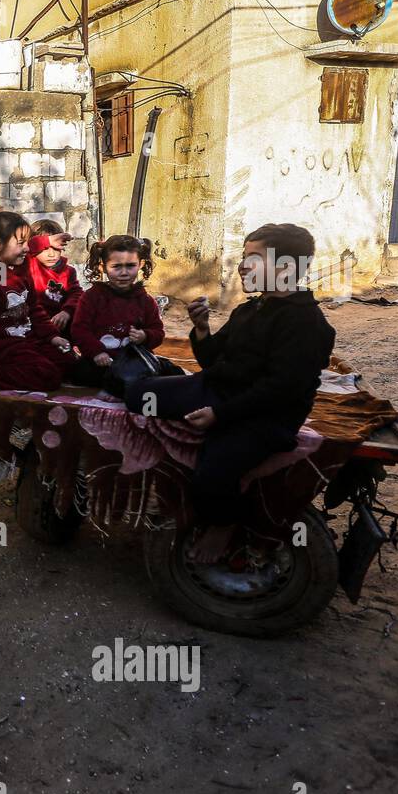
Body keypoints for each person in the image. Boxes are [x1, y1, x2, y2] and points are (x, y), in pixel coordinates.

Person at [123, 223, 336, 562]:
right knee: (138, 395)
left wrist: (220, 415)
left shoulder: (306, 323)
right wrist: (203, 328)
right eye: (244, 257)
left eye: (253, 258)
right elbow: (212, 362)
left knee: (212, 473)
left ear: (285, 268)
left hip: (265, 415)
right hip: (217, 390)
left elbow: (280, 389)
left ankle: (223, 525)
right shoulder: (250, 310)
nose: (242, 266)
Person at [0, 208, 75, 391]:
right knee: (48, 376)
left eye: (27, 242)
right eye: (21, 243)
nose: (27, 248)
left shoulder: (10, 267)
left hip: (26, 340)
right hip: (2, 348)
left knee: (67, 360)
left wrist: (52, 336)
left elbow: (33, 308)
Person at [69, 234, 167, 391]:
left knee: (166, 372)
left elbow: (158, 332)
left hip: (132, 361)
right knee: (80, 373)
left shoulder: (146, 301)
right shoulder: (92, 297)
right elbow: (79, 330)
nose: (124, 273)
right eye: (116, 267)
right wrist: (96, 352)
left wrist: (145, 336)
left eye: (130, 266)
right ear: (103, 267)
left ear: (141, 264)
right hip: (101, 361)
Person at [26, 218, 84, 335]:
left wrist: (67, 312)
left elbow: (76, 294)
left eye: (56, 248)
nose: (51, 254)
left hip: (58, 324)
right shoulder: (28, 265)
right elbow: (28, 247)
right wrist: (48, 241)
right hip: (32, 324)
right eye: (45, 248)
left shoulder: (68, 271)